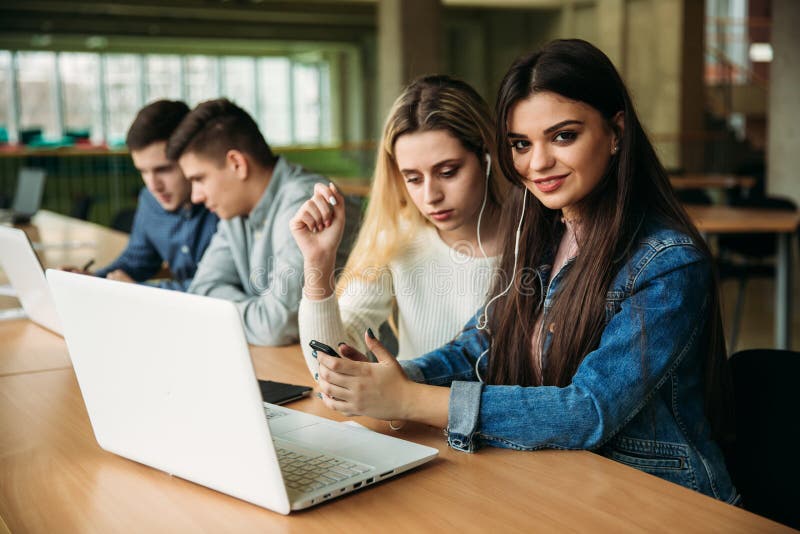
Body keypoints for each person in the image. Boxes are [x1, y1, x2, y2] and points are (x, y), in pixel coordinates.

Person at [315, 40, 737, 502]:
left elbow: (587, 411)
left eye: (563, 136)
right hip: (562, 479)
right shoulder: (540, 232)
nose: (537, 164)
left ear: (616, 131)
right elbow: (483, 344)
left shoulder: (668, 262)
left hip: (662, 499)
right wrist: (390, 378)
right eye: (521, 144)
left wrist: (410, 400)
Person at [291, 75, 505, 377]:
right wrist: (318, 263)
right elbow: (326, 366)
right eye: (413, 178)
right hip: (409, 421)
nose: (431, 197)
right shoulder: (399, 233)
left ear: (487, 158)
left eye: (447, 171)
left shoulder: (537, 240)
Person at [166, 98, 359, 346]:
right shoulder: (234, 211)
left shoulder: (304, 204)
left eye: (199, 179)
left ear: (237, 164)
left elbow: (274, 326)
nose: (195, 196)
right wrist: (256, 310)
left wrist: (228, 312)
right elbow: (202, 289)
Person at [64, 100, 218, 290]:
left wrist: (139, 290)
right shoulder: (150, 200)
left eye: (163, 169)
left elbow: (220, 288)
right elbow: (136, 261)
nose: (153, 186)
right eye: (143, 171)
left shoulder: (223, 203)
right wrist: (95, 279)